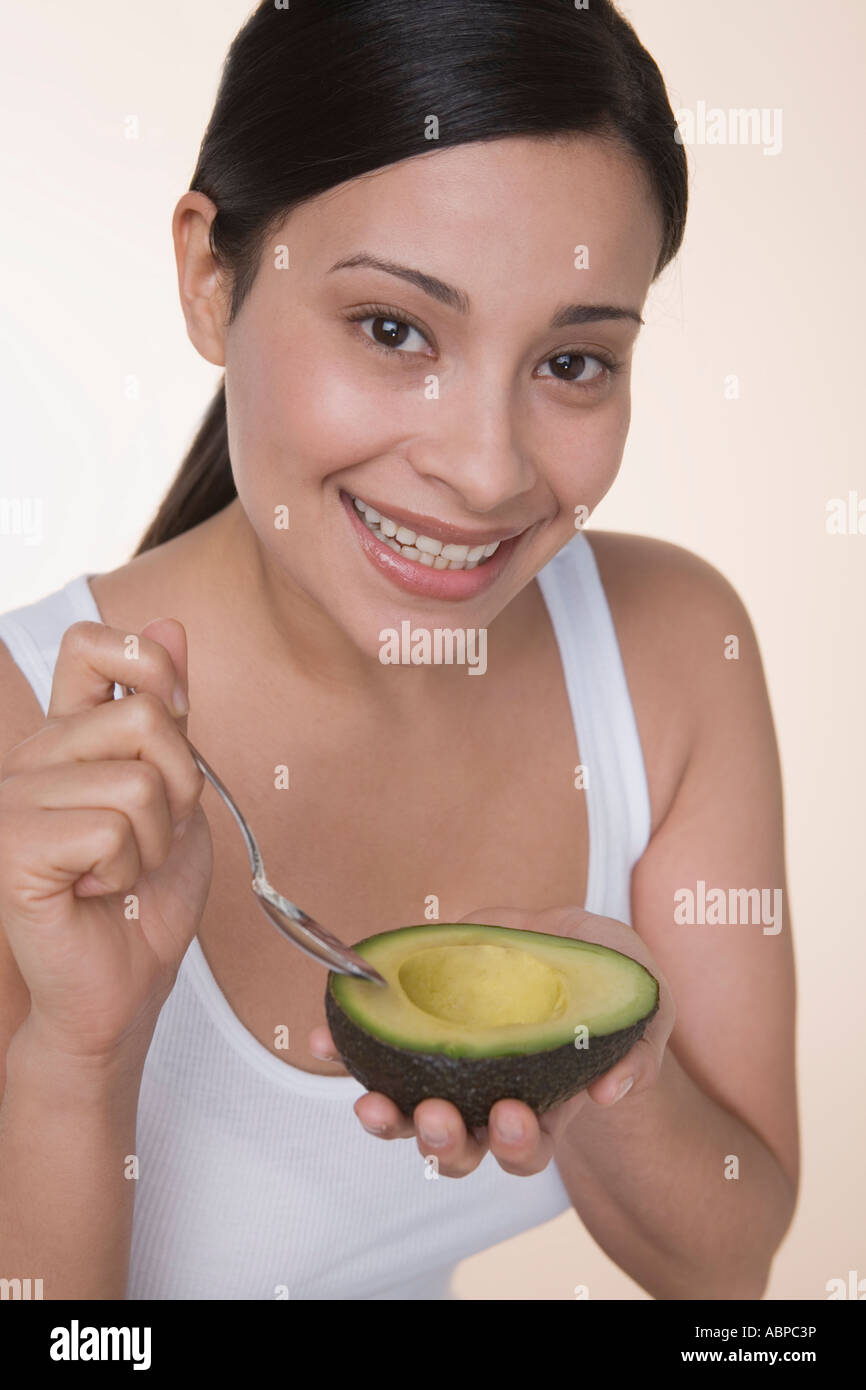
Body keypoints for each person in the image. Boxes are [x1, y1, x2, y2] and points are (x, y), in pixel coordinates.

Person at [0, 0, 798, 1300]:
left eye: (574, 360)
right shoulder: (24, 759)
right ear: (213, 275)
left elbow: (726, 1268)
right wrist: (77, 1061)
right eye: (392, 330)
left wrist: (607, 1067)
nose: (483, 472)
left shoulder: (669, 652)